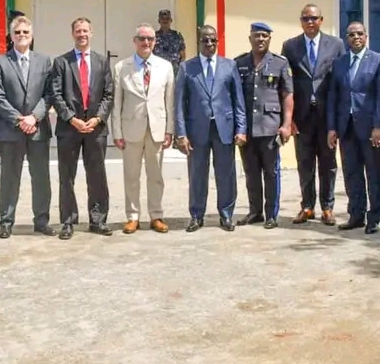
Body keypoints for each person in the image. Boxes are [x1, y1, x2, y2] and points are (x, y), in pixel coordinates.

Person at [175, 25, 248, 231]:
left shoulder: (229, 66)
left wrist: (241, 129)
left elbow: (238, 101)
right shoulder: (187, 67)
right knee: (197, 173)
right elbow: (179, 104)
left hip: (224, 128)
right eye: (205, 40)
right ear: (199, 42)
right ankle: (197, 215)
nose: (209, 44)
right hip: (197, 130)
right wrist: (181, 133)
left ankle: (226, 215)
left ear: (218, 41)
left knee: (226, 173)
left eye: (213, 40)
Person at [0, 14, 55, 238]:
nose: (21, 36)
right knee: (9, 177)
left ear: (32, 35)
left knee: (41, 177)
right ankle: (6, 221)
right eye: (17, 32)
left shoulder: (44, 61)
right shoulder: (0, 62)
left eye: (25, 32)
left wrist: (34, 117)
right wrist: (19, 119)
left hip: (38, 129)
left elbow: (49, 94)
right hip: (11, 130)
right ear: (11, 36)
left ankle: (42, 220)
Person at [280, 4, 345, 226]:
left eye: (314, 18)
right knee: (304, 163)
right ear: (301, 21)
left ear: (321, 20)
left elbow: (341, 82)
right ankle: (307, 206)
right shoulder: (290, 46)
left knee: (328, 163)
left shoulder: (336, 45)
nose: (310, 22)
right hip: (302, 117)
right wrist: (289, 119)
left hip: (327, 116)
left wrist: (337, 119)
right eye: (305, 18)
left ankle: (327, 207)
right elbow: (285, 84)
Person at [51, 17, 115, 239]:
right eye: (78, 31)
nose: (82, 34)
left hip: (95, 128)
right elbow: (56, 95)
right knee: (66, 176)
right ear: (73, 34)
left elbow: (109, 94)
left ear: (91, 33)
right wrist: (72, 119)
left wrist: (98, 118)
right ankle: (68, 221)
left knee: (97, 175)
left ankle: (98, 220)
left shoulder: (101, 62)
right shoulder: (61, 63)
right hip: (69, 128)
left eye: (85, 31)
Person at [110, 23, 176, 234]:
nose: (146, 42)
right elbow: (116, 103)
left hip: (156, 129)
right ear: (134, 41)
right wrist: (117, 132)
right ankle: (132, 216)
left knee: (155, 175)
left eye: (150, 39)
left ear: (155, 42)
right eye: (142, 38)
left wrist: (169, 130)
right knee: (131, 175)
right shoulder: (122, 67)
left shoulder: (165, 67)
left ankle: (156, 214)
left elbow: (170, 102)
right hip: (131, 130)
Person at [327, 22, 380, 233]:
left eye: (360, 34)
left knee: (375, 173)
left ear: (366, 36)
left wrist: (379, 126)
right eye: (352, 34)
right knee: (352, 173)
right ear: (346, 38)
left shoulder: (378, 61)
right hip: (346, 127)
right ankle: (356, 215)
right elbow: (333, 97)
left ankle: (374, 217)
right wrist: (332, 127)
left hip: (370, 127)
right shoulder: (340, 63)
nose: (356, 37)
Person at [233, 22, 293, 228]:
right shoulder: (239, 63)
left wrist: (286, 124)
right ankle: (254, 211)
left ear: (269, 39)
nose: (260, 39)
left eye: (264, 36)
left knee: (271, 172)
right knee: (250, 172)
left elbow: (287, 95)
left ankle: (271, 214)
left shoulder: (280, 63)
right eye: (257, 35)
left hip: (270, 127)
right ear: (250, 38)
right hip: (247, 129)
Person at [154, 9, 187, 74]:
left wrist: (179, 69)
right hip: (158, 70)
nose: (165, 21)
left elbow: (183, 55)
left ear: (171, 20)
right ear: (159, 21)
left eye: (167, 19)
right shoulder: (153, 36)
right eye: (163, 19)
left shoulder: (177, 36)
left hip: (174, 70)